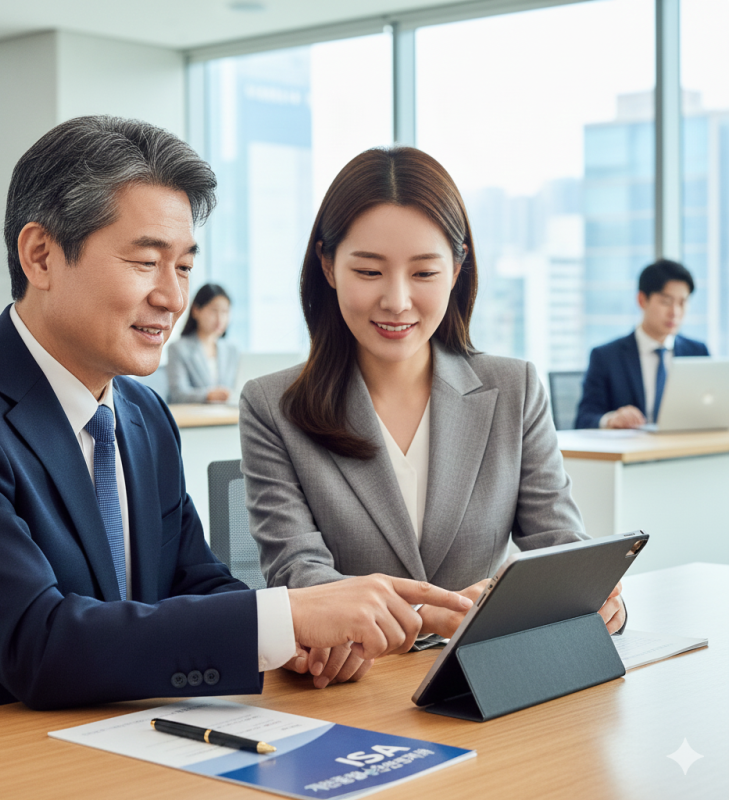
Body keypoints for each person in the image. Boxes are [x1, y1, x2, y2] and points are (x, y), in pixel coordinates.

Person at [0, 118, 470, 719]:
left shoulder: (141, 416)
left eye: (184, 266)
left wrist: (291, 642)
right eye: (145, 262)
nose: (174, 298)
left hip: (132, 742)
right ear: (41, 256)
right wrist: (284, 616)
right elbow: (40, 643)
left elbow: (200, 584)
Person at [239, 147, 625, 690]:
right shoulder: (272, 406)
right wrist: (424, 618)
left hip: (492, 686)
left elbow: (558, 543)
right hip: (355, 694)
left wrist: (598, 599)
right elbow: (303, 579)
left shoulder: (513, 389)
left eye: (423, 272)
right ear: (327, 265)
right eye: (369, 271)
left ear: (457, 268)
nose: (397, 301)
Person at [575, 259, 709, 429]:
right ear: (642, 300)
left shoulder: (697, 352)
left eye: (682, 302)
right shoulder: (606, 356)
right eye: (666, 301)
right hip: (633, 451)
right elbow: (584, 418)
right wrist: (611, 419)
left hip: (684, 450)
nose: (675, 312)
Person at [167, 283, 239, 403]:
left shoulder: (232, 350)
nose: (220, 318)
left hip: (227, 415)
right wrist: (209, 395)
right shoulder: (178, 348)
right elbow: (178, 394)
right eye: (214, 310)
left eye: (225, 312)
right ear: (196, 310)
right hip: (194, 417)